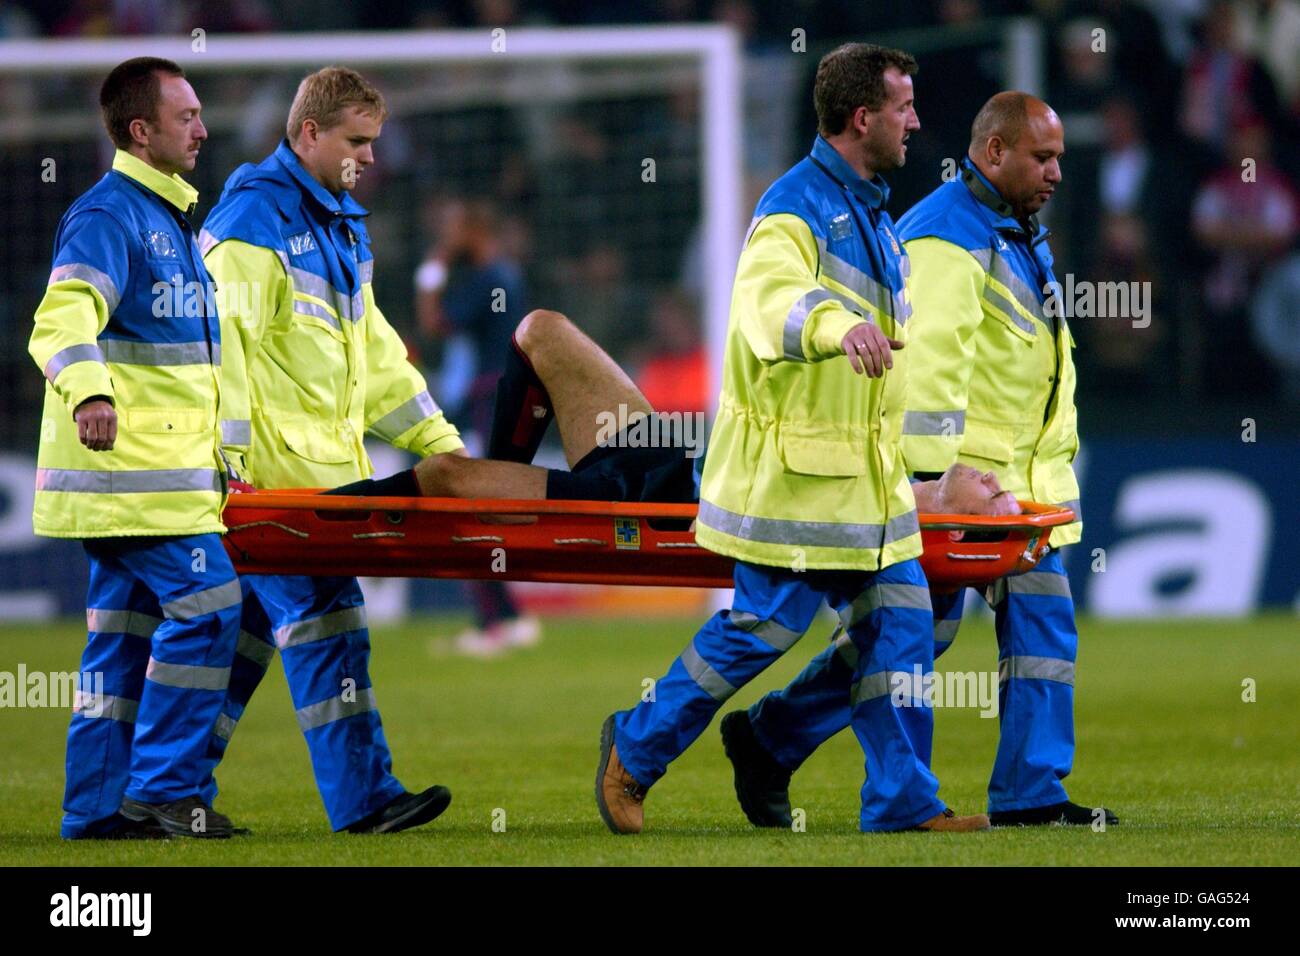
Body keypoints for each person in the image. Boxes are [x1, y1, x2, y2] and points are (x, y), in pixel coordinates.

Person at [590, 43, 988, 836]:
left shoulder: (872, 207)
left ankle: (903, 804)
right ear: (861, 116)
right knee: (760, 631)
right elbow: (770, 304)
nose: (915, 120)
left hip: (866, 486)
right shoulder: (793, 207)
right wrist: (836, 330)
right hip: (793, 481)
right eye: (902, 106)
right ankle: (633, 750)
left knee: (903, 626)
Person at [722, 92, 1119, 830]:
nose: (1057, 172)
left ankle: (1031, 796)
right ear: (994, 153)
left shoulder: (1016, 228)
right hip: (964, 485)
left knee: (1040, 634)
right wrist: (934, 484)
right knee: (910, 638)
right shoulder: (945, 235)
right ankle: (771, 736)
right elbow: (928, 373)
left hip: (1019, 486)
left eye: (1059, 157)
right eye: (1043, 157)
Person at [197, 66, 461, 834]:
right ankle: (366, 801)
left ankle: (163, 790)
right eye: (357, 141)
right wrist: (230, 467)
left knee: (231, 649)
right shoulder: (254, 220)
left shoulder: (339, 224)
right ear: (308, 134)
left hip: (310, 482)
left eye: (373, 142)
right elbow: (223, 347)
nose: (371, 157)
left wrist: (439, 446)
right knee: (328, 624)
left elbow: (375, 357)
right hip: (274, 487)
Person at [29, 57, 241, 839]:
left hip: (148, 482)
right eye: (186, 116)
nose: (203, 129)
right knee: (213, 607)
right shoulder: (111, 215)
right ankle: (161, 791)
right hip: (132, 483)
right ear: (140, 130)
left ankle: (94, 810)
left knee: (121, 643)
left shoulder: (170, 217)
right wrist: (88, 391)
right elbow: (61, 317)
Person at [414, 197, 540, 656]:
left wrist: (430, 272)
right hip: (500, 400)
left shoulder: (487, 280)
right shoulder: (507, 276)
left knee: (468, 511)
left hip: (486, 404)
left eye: (452, 229)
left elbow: (434, 323)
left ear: (470, 230)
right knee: (482, 511)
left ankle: (493, 624)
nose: (446, 238)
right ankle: (509, 617)